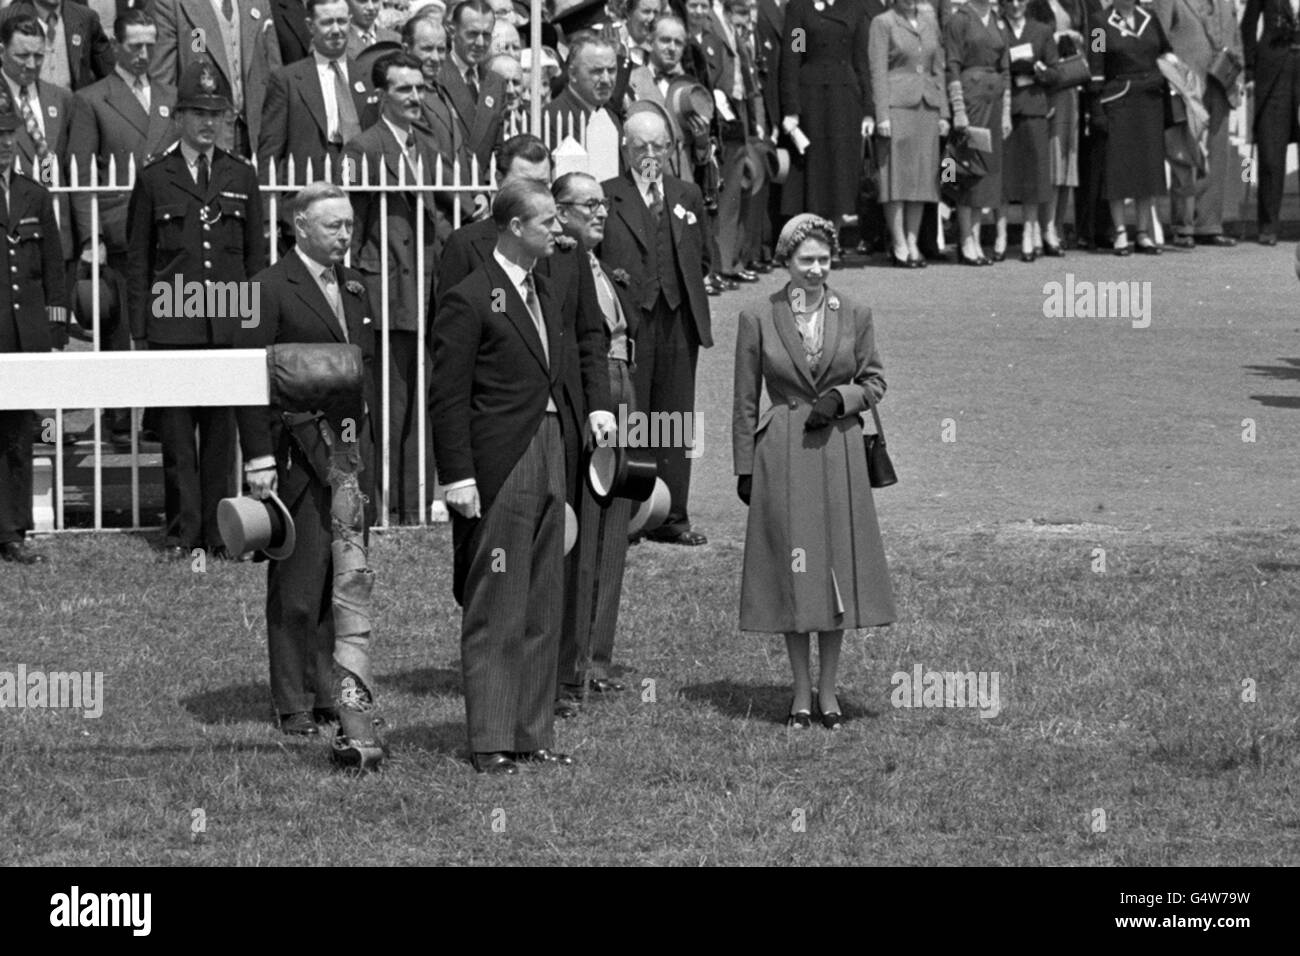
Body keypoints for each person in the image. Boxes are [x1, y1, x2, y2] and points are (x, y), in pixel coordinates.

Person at [431, 179, 614, 775]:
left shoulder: (545, 287)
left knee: (543, 600)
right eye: (547, 224)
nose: (559, 233)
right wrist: (457, 476)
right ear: (514, 228)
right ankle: (490, 739)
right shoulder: (470, 297)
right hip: (501, 461)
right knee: (498, 603)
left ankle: (532, 734)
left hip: (550, 448)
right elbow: (447, 396)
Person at [731, 213, 895, 729]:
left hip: (839, 449)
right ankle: (800, 691)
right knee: (794, 568)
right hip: (782, 452)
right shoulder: (758, 315)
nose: (816, 269)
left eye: (824, 259)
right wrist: (744, 466)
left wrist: (842, 398)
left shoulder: (856, 311)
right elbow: (743, 400)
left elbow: (874, 381)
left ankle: (830, 691)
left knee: (835, 570)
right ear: (786, 260)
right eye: (806, 260)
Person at [233, 182, 378, 740]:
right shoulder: (267, 288)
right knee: (297, 578)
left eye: (348, 224)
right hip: (293, 455)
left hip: (345, 455)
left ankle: (325, 693)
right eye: (333, 225)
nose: (345, 234)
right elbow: (248, 381)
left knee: (336, 579)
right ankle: (291, 700)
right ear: (301, 226)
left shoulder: (356, 288)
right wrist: (260, 456)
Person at [126, 62, 267, 560]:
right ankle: (183, 532)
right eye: (199, 113)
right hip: (173, 323)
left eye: (218, 114)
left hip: (226, 323)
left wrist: (252, 324)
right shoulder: (155, 177)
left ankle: (215, 530)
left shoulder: (240, 176)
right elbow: (139, 260)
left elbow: (254, 260)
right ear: (180, 117)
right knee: (178, 437)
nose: (209, 124)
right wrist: (140, 330)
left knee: (220, 438)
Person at [345, 51, 453, 525]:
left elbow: (443, 218)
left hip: (426, 292)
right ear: (380, 95)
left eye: (419, 88)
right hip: (385, 291)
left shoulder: (427, 148)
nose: (415, 97)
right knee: (386, 405)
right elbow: (353, 231)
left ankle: (414, 505)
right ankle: (378, 506)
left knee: (423, 405)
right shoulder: (364, 149)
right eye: (403, 89)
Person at [600, 108, 712, 546]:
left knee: (674, 418)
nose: (650, 153)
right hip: (632, 321)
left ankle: (671, 515)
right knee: (632, 414)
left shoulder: (687, 195)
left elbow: (702, 259)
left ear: (670, 148)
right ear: (626, 148)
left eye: (658, 145)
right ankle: (629, 515)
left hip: (678, 319)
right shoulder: (610, 196)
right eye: (641, 145)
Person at [552, 171, 641, 711]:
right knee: (587, 517)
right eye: (588, 205)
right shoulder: (558, 265)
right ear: (559, 211)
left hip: (622, 382)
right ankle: (575, 660)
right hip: (594, 390)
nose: (600, 212)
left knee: (615, 524)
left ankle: (598, 656)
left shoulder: (601, 268)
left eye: (604, 203)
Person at [0, 85, 69, 566]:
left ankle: (13, 530)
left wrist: (55, 326)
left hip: (25, 335)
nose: (2, 142)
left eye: (8, 134)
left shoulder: (34, 194)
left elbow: (53, 266)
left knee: (19, 438)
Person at [778, 0, 873, 252]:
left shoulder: (854, 8)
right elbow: (792, 57)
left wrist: (868, 111)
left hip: (845, 99)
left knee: (841, 172)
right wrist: (791, 108)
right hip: (812, 98)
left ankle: (834, 237)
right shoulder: (800, 7)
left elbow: (861, 60)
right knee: (816, 173)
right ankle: (814, 239)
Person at [259, 0, 381, 189]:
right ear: (310, 26)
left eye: (341, 21)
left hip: (357, 187)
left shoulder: (367, 77)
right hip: (306, 191)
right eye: (326, 22)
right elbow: (270, 152)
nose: (336, 30)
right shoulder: (287, 80)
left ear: (350, 22)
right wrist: (268, 215)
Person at [1087, 0, 1172, 255]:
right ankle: (1121, 232)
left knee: (1147, 168)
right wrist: (1096, 107)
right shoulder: (1099, 23)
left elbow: (1165, 52)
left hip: (1149, 101)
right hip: (1119, 100)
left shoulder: (1150, 17)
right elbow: (1095, 65)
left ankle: (1143, 233)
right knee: (1119, 169)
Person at [869, 0, 949, 267]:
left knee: (922, 178)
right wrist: (882, 115)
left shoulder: (930, 23)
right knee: (896, 178)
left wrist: (944, 112)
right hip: (897, 105)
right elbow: (877, 71)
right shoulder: (883, 22)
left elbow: (938, 70)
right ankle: (899, 242)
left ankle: (914, 241)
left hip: (927, 107)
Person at [1154, 0, 1240, 248]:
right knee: (1186, 154)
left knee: (1217, 155)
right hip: (1186, 84)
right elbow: (1159, 39)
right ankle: (1184, 226)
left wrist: (1240, 72)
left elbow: (1236, 37)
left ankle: (1209, 225)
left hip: (1222, 83)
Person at [150, 0, 283, 157]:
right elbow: (164, 80)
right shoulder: (174, 4)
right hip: (204, 132)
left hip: (255, 133)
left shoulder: (258, 3)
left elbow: (274, 71)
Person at [945, 0, 1011, 263]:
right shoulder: (959, 19)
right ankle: (966, 239)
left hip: (994, 101)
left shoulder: (998, 20)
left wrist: (1006, 111)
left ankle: (977, 235)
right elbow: (952, 65)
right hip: (971, 99)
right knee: (967, 169)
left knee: (987, 174)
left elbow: (1005, 68)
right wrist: (958, 108)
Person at [995, 0, 1058, 261]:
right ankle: (1000, 233)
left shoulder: (1042, 29)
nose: (1016, 5)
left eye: (1020, 0)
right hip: (1003, 108)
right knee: (1003, 174)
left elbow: (1056, 71)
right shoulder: (997, 27)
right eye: (1010, 1)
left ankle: (1031, 232)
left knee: (1035, 173)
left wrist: (1041, 72)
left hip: (1033, 105)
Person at [1242, 0, 1300, 246]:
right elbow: (1248, 26)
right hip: (1274, 70)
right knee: (1270, 153)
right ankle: (1268, 226)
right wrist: (1251, 70)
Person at [1028, 0, 1082, 255]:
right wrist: (1055, 37)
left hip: (1074, 85)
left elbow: (1098, 40)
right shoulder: (1033, 6)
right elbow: (1027, 44)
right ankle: (1044, 227)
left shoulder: (1078, 4)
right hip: (1049, 88)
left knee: (1068, 161)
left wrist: (1081, 40)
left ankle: (1059, 226)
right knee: (1051, 159)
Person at [402, 8, 472, 172]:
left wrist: (479, 193)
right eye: (427, 49)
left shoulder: (442, 90)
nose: (435, 58)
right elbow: (432, 161)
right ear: (406, 49)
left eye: (441, 50)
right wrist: (465, 198)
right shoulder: (404, 98)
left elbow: (462, 150)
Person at [440, 0, 507, 171]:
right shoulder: (436, 76)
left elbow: (497, 149)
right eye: (472, 34)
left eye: (486, 35)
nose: (480, 43)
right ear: (452, 31)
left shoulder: (496, 84)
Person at [0, 0, 114, 93]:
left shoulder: (85, 17)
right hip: (29, 110)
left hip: (75, 110)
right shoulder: (7, 17)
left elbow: (108, 73)